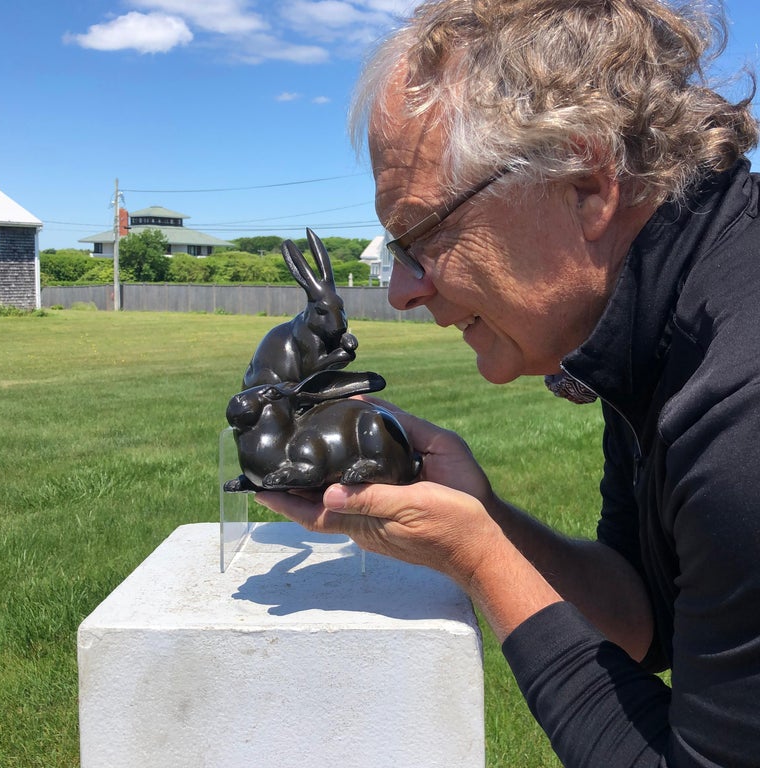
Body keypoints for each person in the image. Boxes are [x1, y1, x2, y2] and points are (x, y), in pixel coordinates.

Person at [257, 0, 760, 764]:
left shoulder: (739, 414)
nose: (400, 290)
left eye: (423, 235)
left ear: (589, 184)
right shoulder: (657, 327)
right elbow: (651, 614)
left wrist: (480, 560)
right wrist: (482, 515)